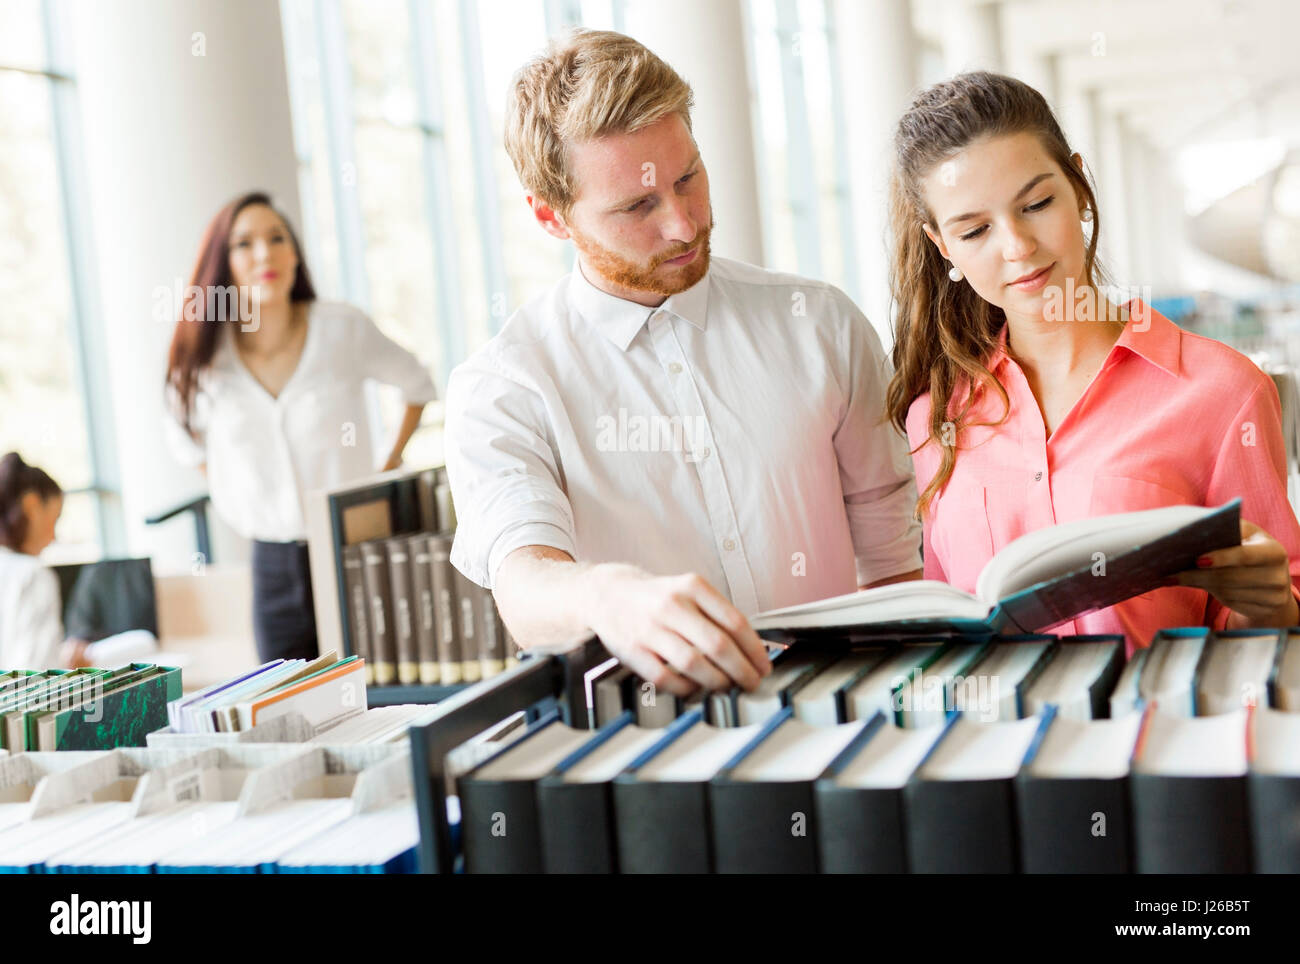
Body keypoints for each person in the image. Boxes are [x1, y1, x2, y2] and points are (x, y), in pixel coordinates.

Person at [443, 30, 923, 697]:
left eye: (688, 178)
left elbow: (896, 559)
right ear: (551, 218)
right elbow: (523, 584)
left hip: (847, 719)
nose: (684, 224)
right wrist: (607, 596)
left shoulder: (821, 325)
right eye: (638, 205)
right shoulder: (504, 388)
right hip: (652, 756)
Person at [886, 71, 1300, 655]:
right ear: (942, 246)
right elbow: (948, 616)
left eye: (1036, 204)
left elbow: (1277, 629)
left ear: (1079, 186)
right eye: (975, 230)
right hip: (992, 739)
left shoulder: (1223, 392)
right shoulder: (937, 417)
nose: (1017, 246)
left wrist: (1274, 603)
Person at [164, 192, 437, 663]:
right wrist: (242, 491)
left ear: (294, 254)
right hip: (271, 565)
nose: (264, 253)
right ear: (223, 264)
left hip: (354, 549)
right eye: (244, 244)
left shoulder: (341, 329)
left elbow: (417, 384)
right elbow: (186, 443)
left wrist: (386, 465)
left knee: (376, 694)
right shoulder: (206, 358)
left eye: (277, 238)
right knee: (289, 711)